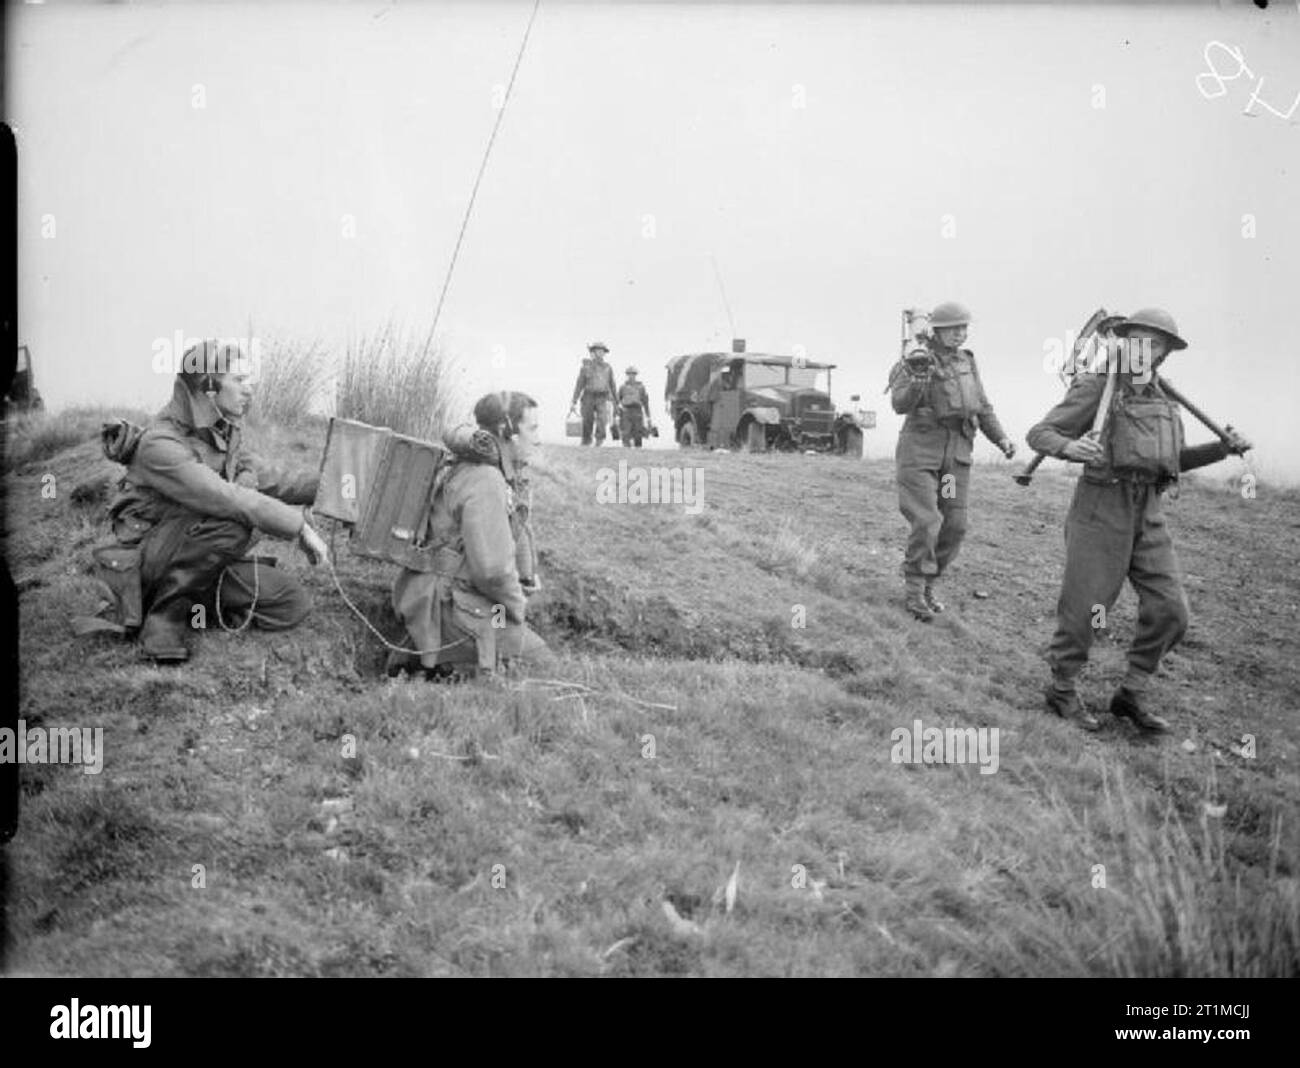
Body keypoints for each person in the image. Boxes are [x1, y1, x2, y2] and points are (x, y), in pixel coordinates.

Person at [1026, 308, 1251, 733]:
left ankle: (1130, 693)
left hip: (1148, 509)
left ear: (1166, 352)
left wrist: (1222, 450)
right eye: (1138, 341)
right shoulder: (1098, 388)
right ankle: (1062, 687)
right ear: (1124, 343)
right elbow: (1040, 434)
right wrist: (1070, 449)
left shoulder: (1166, 403)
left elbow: (1175, 460)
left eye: (1157, 344)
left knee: (1172, 610)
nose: (1146, 351)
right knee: (1088, 609)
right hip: (1101, 506)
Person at [106, 340, 329, 662]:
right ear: (209, 388)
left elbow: (275, 478)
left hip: (194, 556)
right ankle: (164, 617)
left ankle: (192, 599)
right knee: (235, 520)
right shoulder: (160, 444)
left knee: (290, 603)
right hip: (150, 562)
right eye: (239, 380)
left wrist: (341, 490)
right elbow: (228, 499)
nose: (249, 389)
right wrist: (299, 527)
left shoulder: (222, 430)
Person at [389, 391, 550, 678]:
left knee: (515, 634)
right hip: (456, 607)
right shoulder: (486, 479)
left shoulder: (480, 469)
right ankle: (444, 662)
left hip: (445, 597)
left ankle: (432, 657)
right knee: (544, 666)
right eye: (532, 429)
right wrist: (518, 608)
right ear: (506, 431)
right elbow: (493, 573)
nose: (537, 439)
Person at [887, 302, 1017, 621]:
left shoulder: (967, 361)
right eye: (954, 328)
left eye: (964, 327)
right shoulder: (912, 360)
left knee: (954, 524)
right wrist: (918, 377)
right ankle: (915, 591)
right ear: (937, 330)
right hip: (921, 451)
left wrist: (1001, 438)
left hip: (955, 455)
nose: (961, 333)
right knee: (927, 520)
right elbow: (900, 405)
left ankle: (930, 583)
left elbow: (982, 406)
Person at [569, 341, 618, 446]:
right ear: (593, 352)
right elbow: (579, 384)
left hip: (602, 397)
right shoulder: (586, 367)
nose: (600, 353)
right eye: (598, 351)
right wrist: (574, 401)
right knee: (587, 419)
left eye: (602, 351)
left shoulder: (608, 367)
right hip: (588, 396)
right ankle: (586, 441)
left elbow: (612, 384)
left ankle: (599, 440)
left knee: (602, 419)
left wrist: (616, 401)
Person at [616, 366, 651, 448]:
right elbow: (617, 400)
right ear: (627, 375)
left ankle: (638, 450)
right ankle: (626, 450)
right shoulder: (623, 387)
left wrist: (648, 416)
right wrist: (616, 414)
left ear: (636, 375)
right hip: (626, 411)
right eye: (629, 374)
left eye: (633, 374)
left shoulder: (641, 387)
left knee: (638, 432)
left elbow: (645, 401)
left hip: (637, 410)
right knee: (626, 432)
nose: (631, 376)